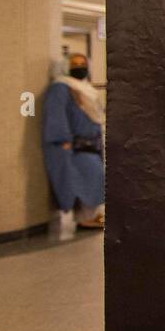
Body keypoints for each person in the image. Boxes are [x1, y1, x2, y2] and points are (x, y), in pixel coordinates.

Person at [43, 53, 106, 238]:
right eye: (75, 63)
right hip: (75, 146)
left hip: (91, 144)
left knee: (94, 178)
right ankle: (84, 217)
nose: (79, 67)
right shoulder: (61, 88)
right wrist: (63, 140)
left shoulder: (85, 89)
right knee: (87, 177)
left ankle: (91, 216)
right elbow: (56, 114)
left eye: (82, 63)